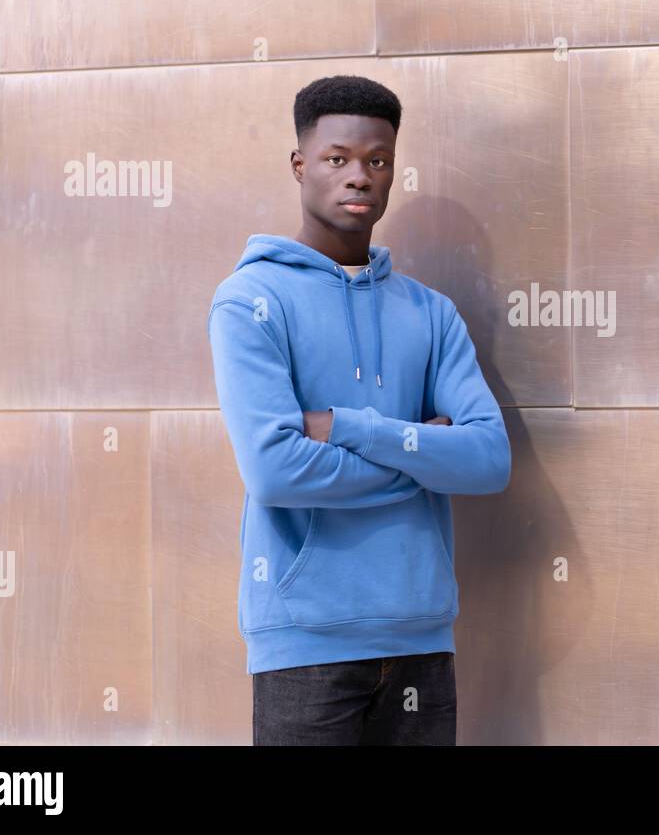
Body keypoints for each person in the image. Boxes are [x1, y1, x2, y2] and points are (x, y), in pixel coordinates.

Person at [206, 74, 512, 745]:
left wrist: (352, 429)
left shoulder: (430, 312)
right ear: (300, 165)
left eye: (377, 161)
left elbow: (489, 459)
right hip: (304, 647)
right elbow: (276, 472)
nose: (359, 177)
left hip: (422, 641)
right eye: (337, 158)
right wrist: (424, 458)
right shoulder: (251, 301)